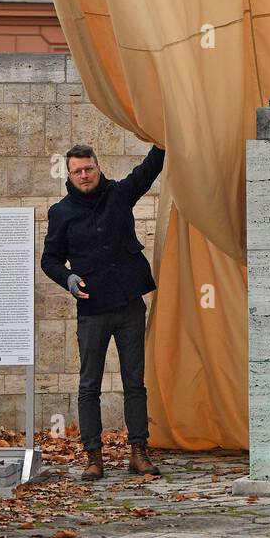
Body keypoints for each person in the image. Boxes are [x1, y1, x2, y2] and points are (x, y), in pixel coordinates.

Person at [41, 142, 165, 480]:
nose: (84, 175)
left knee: (134, 383)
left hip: (128, 305)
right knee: (89, 385)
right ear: (69, 174)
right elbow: (49, 260)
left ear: (98, 167)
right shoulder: (61, 212)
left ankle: (139, 453)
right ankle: (93, 458)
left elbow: (148, 171)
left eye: (89, 168)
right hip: (92, 308)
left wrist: (162, 136)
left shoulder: (119, 194)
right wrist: (67, 278)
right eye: (78, 171)